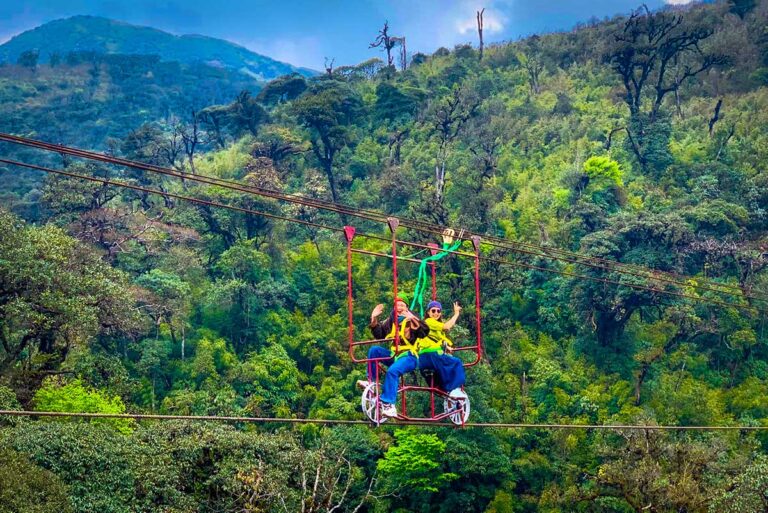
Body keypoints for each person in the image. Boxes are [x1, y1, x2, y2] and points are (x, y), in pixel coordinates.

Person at [356, 298, 429, 417]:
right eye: (397, 305)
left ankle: (389, 404)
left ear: (406, 307)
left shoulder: (412, 320)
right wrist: (374, 319)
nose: (399, 308)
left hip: (408, 356)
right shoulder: (391, 321)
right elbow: (379, 334)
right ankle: (372, 382)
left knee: (392, 371)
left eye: (402, 305)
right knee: (374, 351)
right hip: (394, 355)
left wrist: (412, 318)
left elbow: (424, 331)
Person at [416, 300, 467, 399]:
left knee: (440, 380)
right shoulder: (429, 321)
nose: (436, 313)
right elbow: (447, 327)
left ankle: (446, 393)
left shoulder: (433, 327)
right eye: (433, 311)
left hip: (423, 359)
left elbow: (438, 339)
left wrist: (446, 347)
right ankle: (454, 390)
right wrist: (456, 314)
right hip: (432, 356)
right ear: (428, 312)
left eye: (438, 311)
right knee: (457, 363)